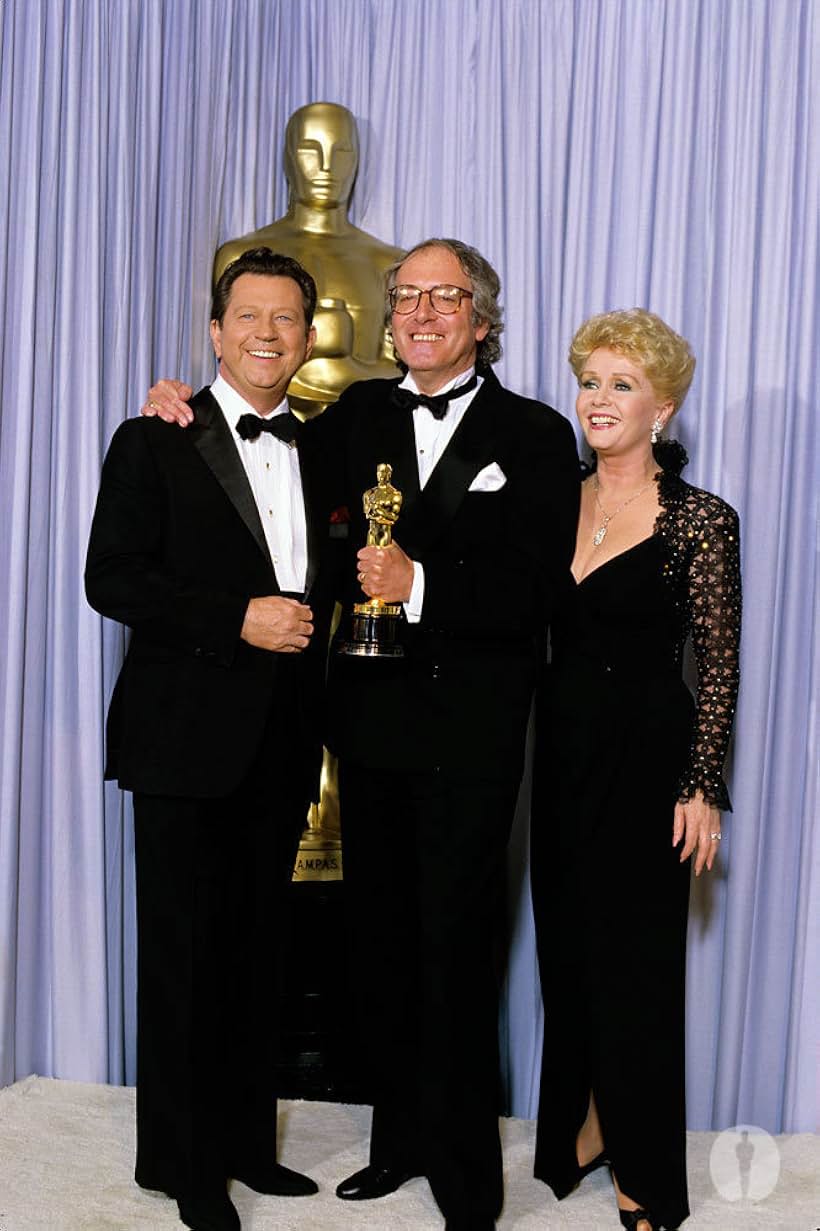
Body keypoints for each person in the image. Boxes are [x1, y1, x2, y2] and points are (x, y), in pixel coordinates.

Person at [142, 237, 581, 1230]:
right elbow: (252, 456)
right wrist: (177, 405)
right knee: (379, 947)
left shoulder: (537, 434)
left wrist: (419, 584)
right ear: (389, 316)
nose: (423, 310)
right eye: (408, 294)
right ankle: (398, 1147)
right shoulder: (352, 417)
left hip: (470, 735)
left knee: (460, 950)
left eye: (446, 296)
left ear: (481, 318)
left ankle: (466, 1175)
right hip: (366, 729)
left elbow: (538, 588)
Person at [85, 249, 341, 1231]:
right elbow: (113, 578)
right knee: (184, 956)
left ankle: (243, 1146)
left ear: (307, 335)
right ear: (215, 330)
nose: (267, 333)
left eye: (285, 319)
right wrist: (236, 615)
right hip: (180, 739)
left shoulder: (319, 444)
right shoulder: (152, 438)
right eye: (249, 316)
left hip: (281, 743)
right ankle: (185, 1165)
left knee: (255, 952)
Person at [530, 309, 741, 1231]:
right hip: (558, 751)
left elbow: (719, 663)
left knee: (639, 965)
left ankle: (647, 1167)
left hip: (649, 759)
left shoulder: (701, 520)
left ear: (664, 405)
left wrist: (701, 783)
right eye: (590, 380)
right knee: (567, 949)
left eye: (623, 384)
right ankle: (584, 1121)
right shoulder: (551, 498)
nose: (599, 398)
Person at [214, 100, 403, 415]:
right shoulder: (240, 256)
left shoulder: (388, 262)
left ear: (356, 160)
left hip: (364, 441)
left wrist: (334, 366)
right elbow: (236, 361)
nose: (326, 167)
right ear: (289, 157)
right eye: (310, 150)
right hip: (261, 436)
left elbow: (402, 372)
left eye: (341, 152)